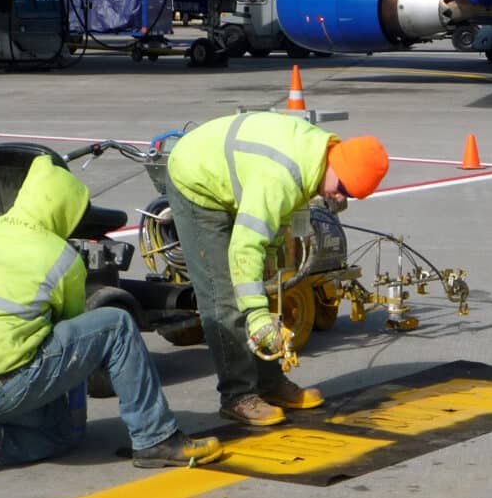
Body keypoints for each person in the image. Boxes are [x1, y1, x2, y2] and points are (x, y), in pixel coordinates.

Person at [0, 154, 221, 479]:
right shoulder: (60, 256)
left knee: (65, 436)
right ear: (62, 210)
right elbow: (72, 328)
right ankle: (156, 437)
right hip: (11, 381)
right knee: (116, 326)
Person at [165, 112, 390, 426]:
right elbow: (245, 247)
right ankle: (238, 396)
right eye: (343, 188)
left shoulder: (316, 158)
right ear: (337, 165)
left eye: (350, 196)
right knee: (225, 296)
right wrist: (257, 317)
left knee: (261, 287)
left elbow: (275, 219)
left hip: (229, 175)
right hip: (196, 181)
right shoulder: (282, 176)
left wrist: (270, 256)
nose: (340, 198)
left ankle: (269, 384)